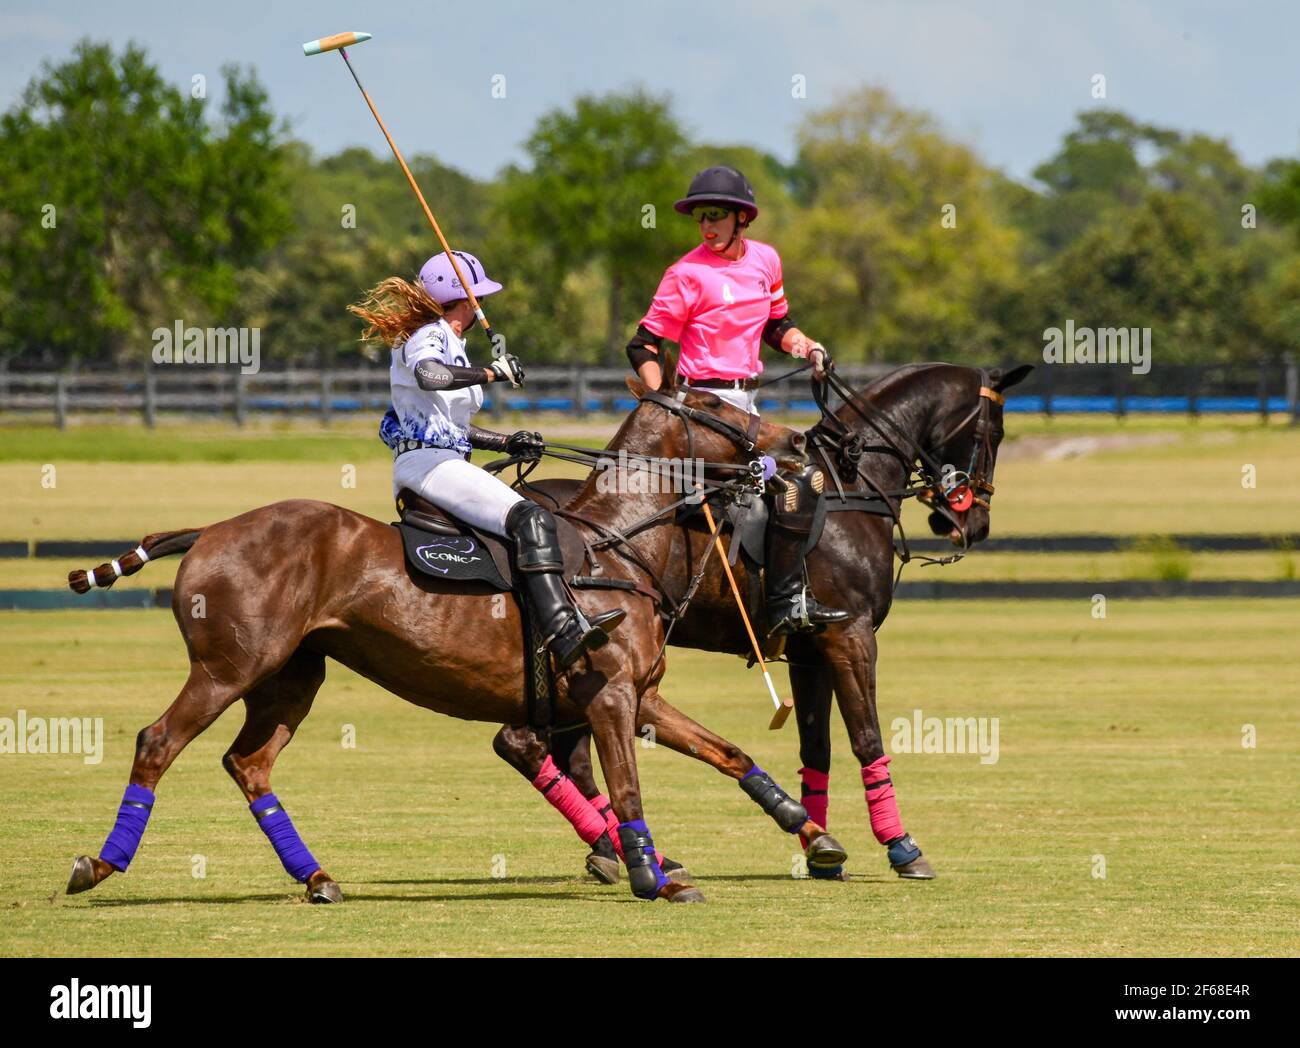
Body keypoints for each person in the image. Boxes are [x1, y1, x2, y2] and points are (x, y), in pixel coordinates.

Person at [352, 250, 624, 668]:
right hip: (429, 466)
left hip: (441, 459)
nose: (483, 306)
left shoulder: (449, 340)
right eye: (479, 298)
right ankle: (563, 632)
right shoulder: (431, 335)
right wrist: (492, 373)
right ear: (465, 300)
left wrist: (505, 443)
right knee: (529, 517)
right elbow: (430, 376)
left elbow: (447, 425)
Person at [626, 165, 850, 636]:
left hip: (745, 407)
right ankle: (787, 602)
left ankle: (784, 590)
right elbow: (643, 345)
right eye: (701, 217)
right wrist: (661, 401)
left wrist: (807, 347)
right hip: (702, 408)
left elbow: (775, 325)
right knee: (800, 476)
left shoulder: (766, 261)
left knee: (795, 482)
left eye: (716, 215)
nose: (707, 226)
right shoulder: (684, 274)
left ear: (741, 218)